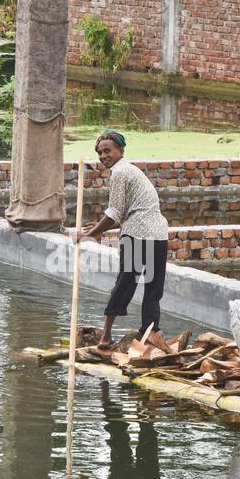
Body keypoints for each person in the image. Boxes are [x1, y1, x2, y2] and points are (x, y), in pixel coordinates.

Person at [74, 130, 170, 349]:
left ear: (120, 150)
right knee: (153, 287)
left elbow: (115, 213)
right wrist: (97, 229)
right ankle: (151, 332)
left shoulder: (119, 172)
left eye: (107, 151)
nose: (103, 156)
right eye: (99, 153)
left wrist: (90, 234)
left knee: (124, 284)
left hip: (138, 236)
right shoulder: (132, 171)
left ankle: (106, 336)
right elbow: (129, 212)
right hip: (158, 236)